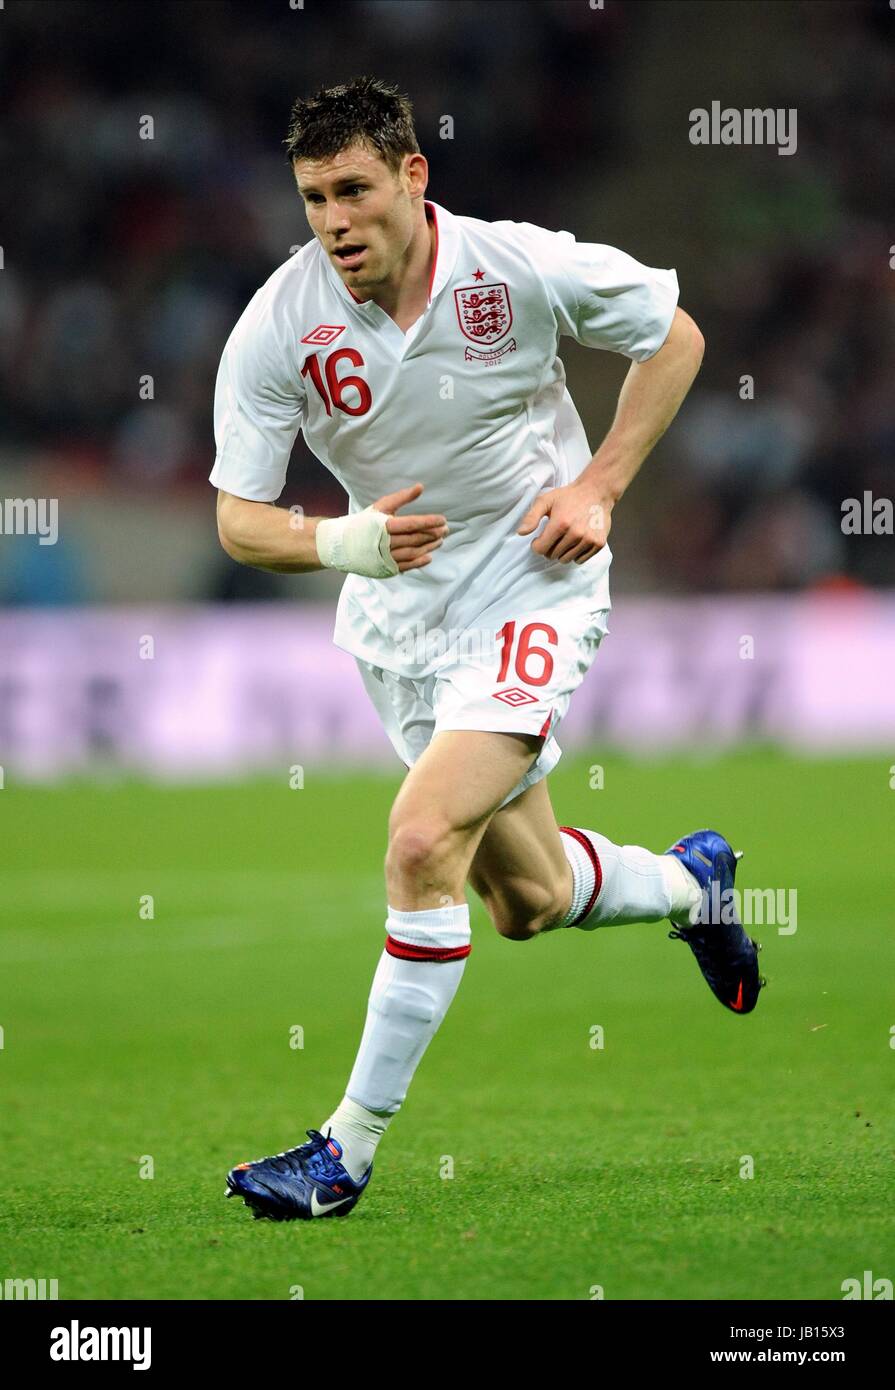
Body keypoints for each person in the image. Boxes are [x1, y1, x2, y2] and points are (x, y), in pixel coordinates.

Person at [211, 77, 763, 1222]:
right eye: (313, 197)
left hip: (534, 588)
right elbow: (237, 518)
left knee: (421, 842)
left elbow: (673, 337)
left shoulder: (513, 268)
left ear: (414, 177)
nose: (333, 221)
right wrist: (345, 538)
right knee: (528, 896)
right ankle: (689, 885)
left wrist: (599, 485)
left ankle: (341, 1154)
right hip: (400, 622)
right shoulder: (279, 322)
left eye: (354, 189)